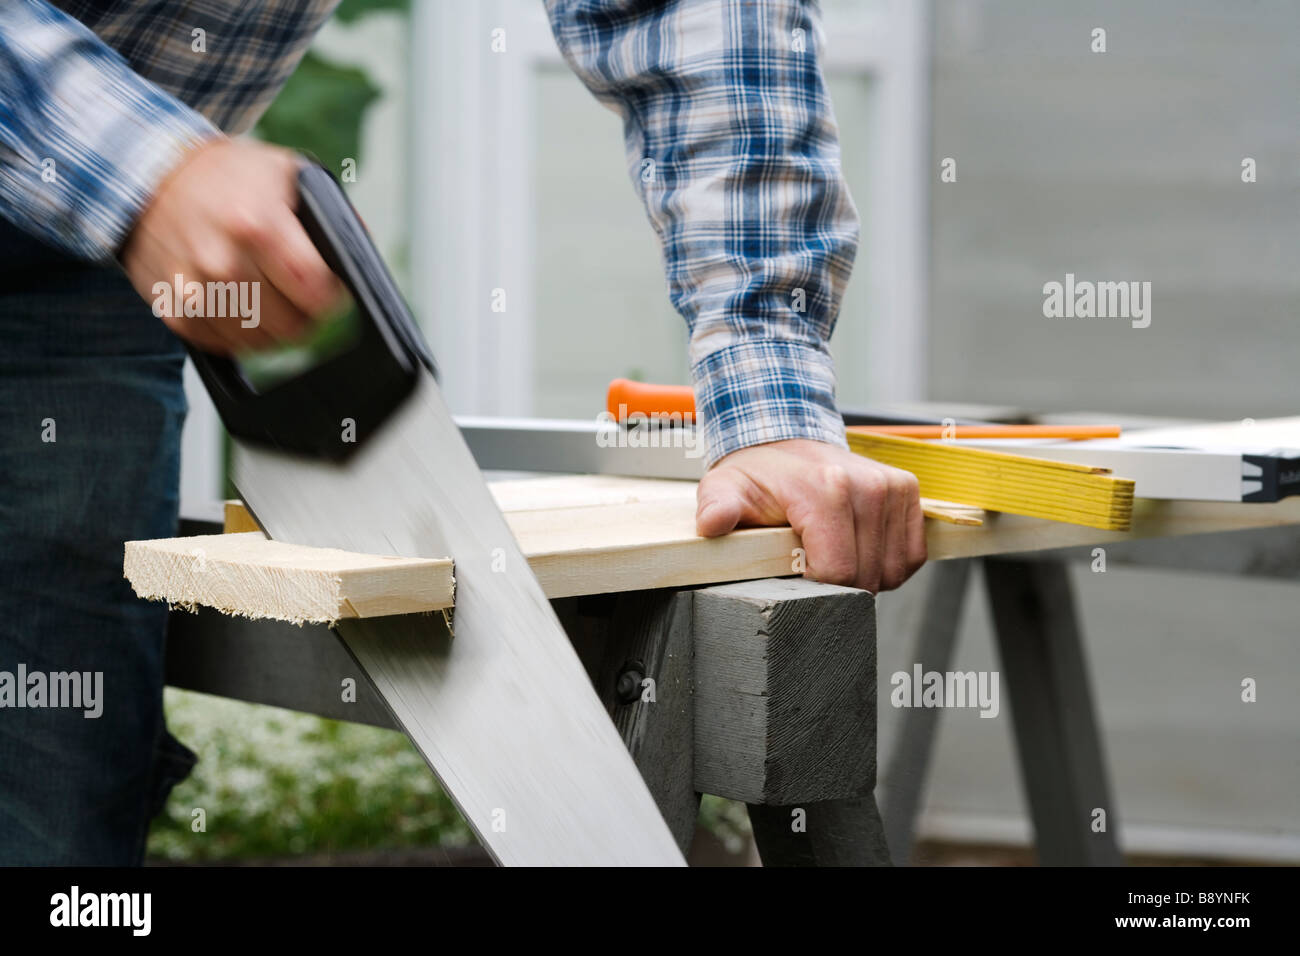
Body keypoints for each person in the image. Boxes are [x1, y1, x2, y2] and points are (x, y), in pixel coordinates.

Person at [0, 0, 926, 864]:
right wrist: (140, 166)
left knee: (54, 806)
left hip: (91, 265)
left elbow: (695, 18)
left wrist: (767, 393)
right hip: (125, 183)